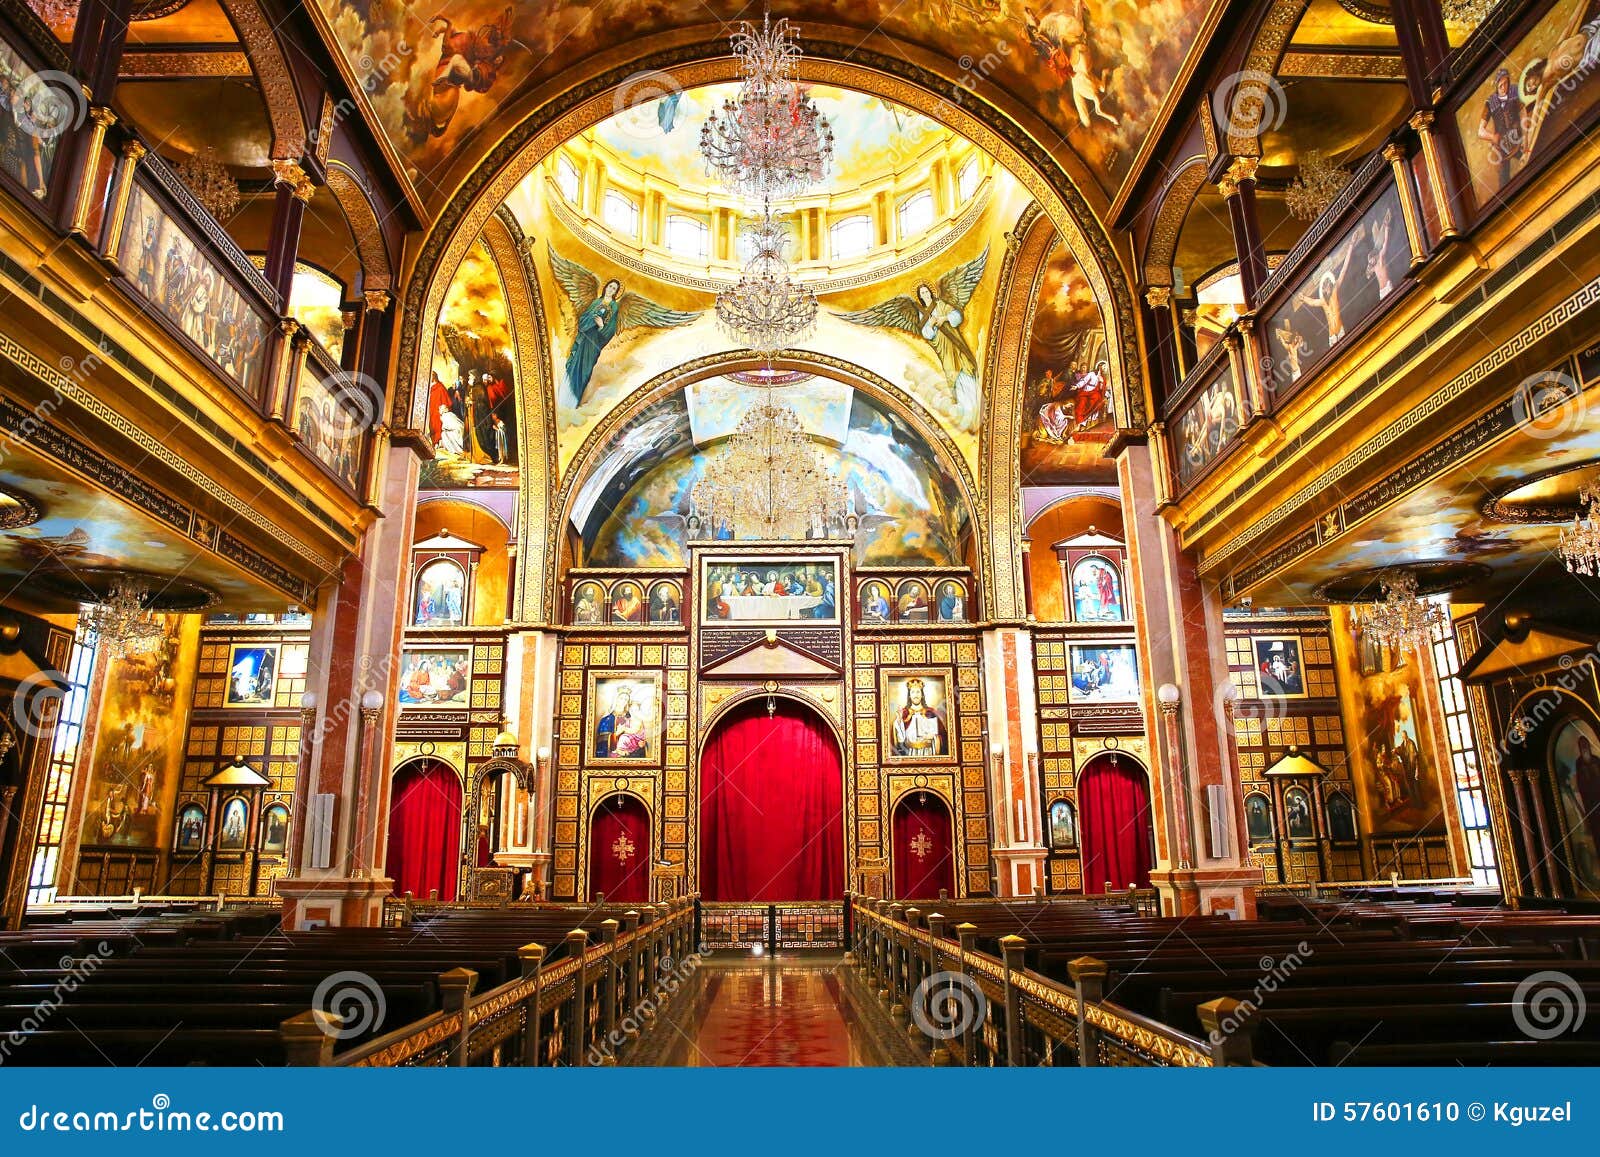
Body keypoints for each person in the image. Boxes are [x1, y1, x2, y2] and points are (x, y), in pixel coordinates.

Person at [892, 679, 948, 758]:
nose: (916, 695)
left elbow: (943, 735)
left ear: (922, 695)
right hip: (910, 753)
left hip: (929, 752)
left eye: (918, 692)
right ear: (909, 695)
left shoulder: (931, 712)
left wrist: (934, 737)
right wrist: (898, 721)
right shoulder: (904, 713)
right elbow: (900, 740)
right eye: (913, 692)